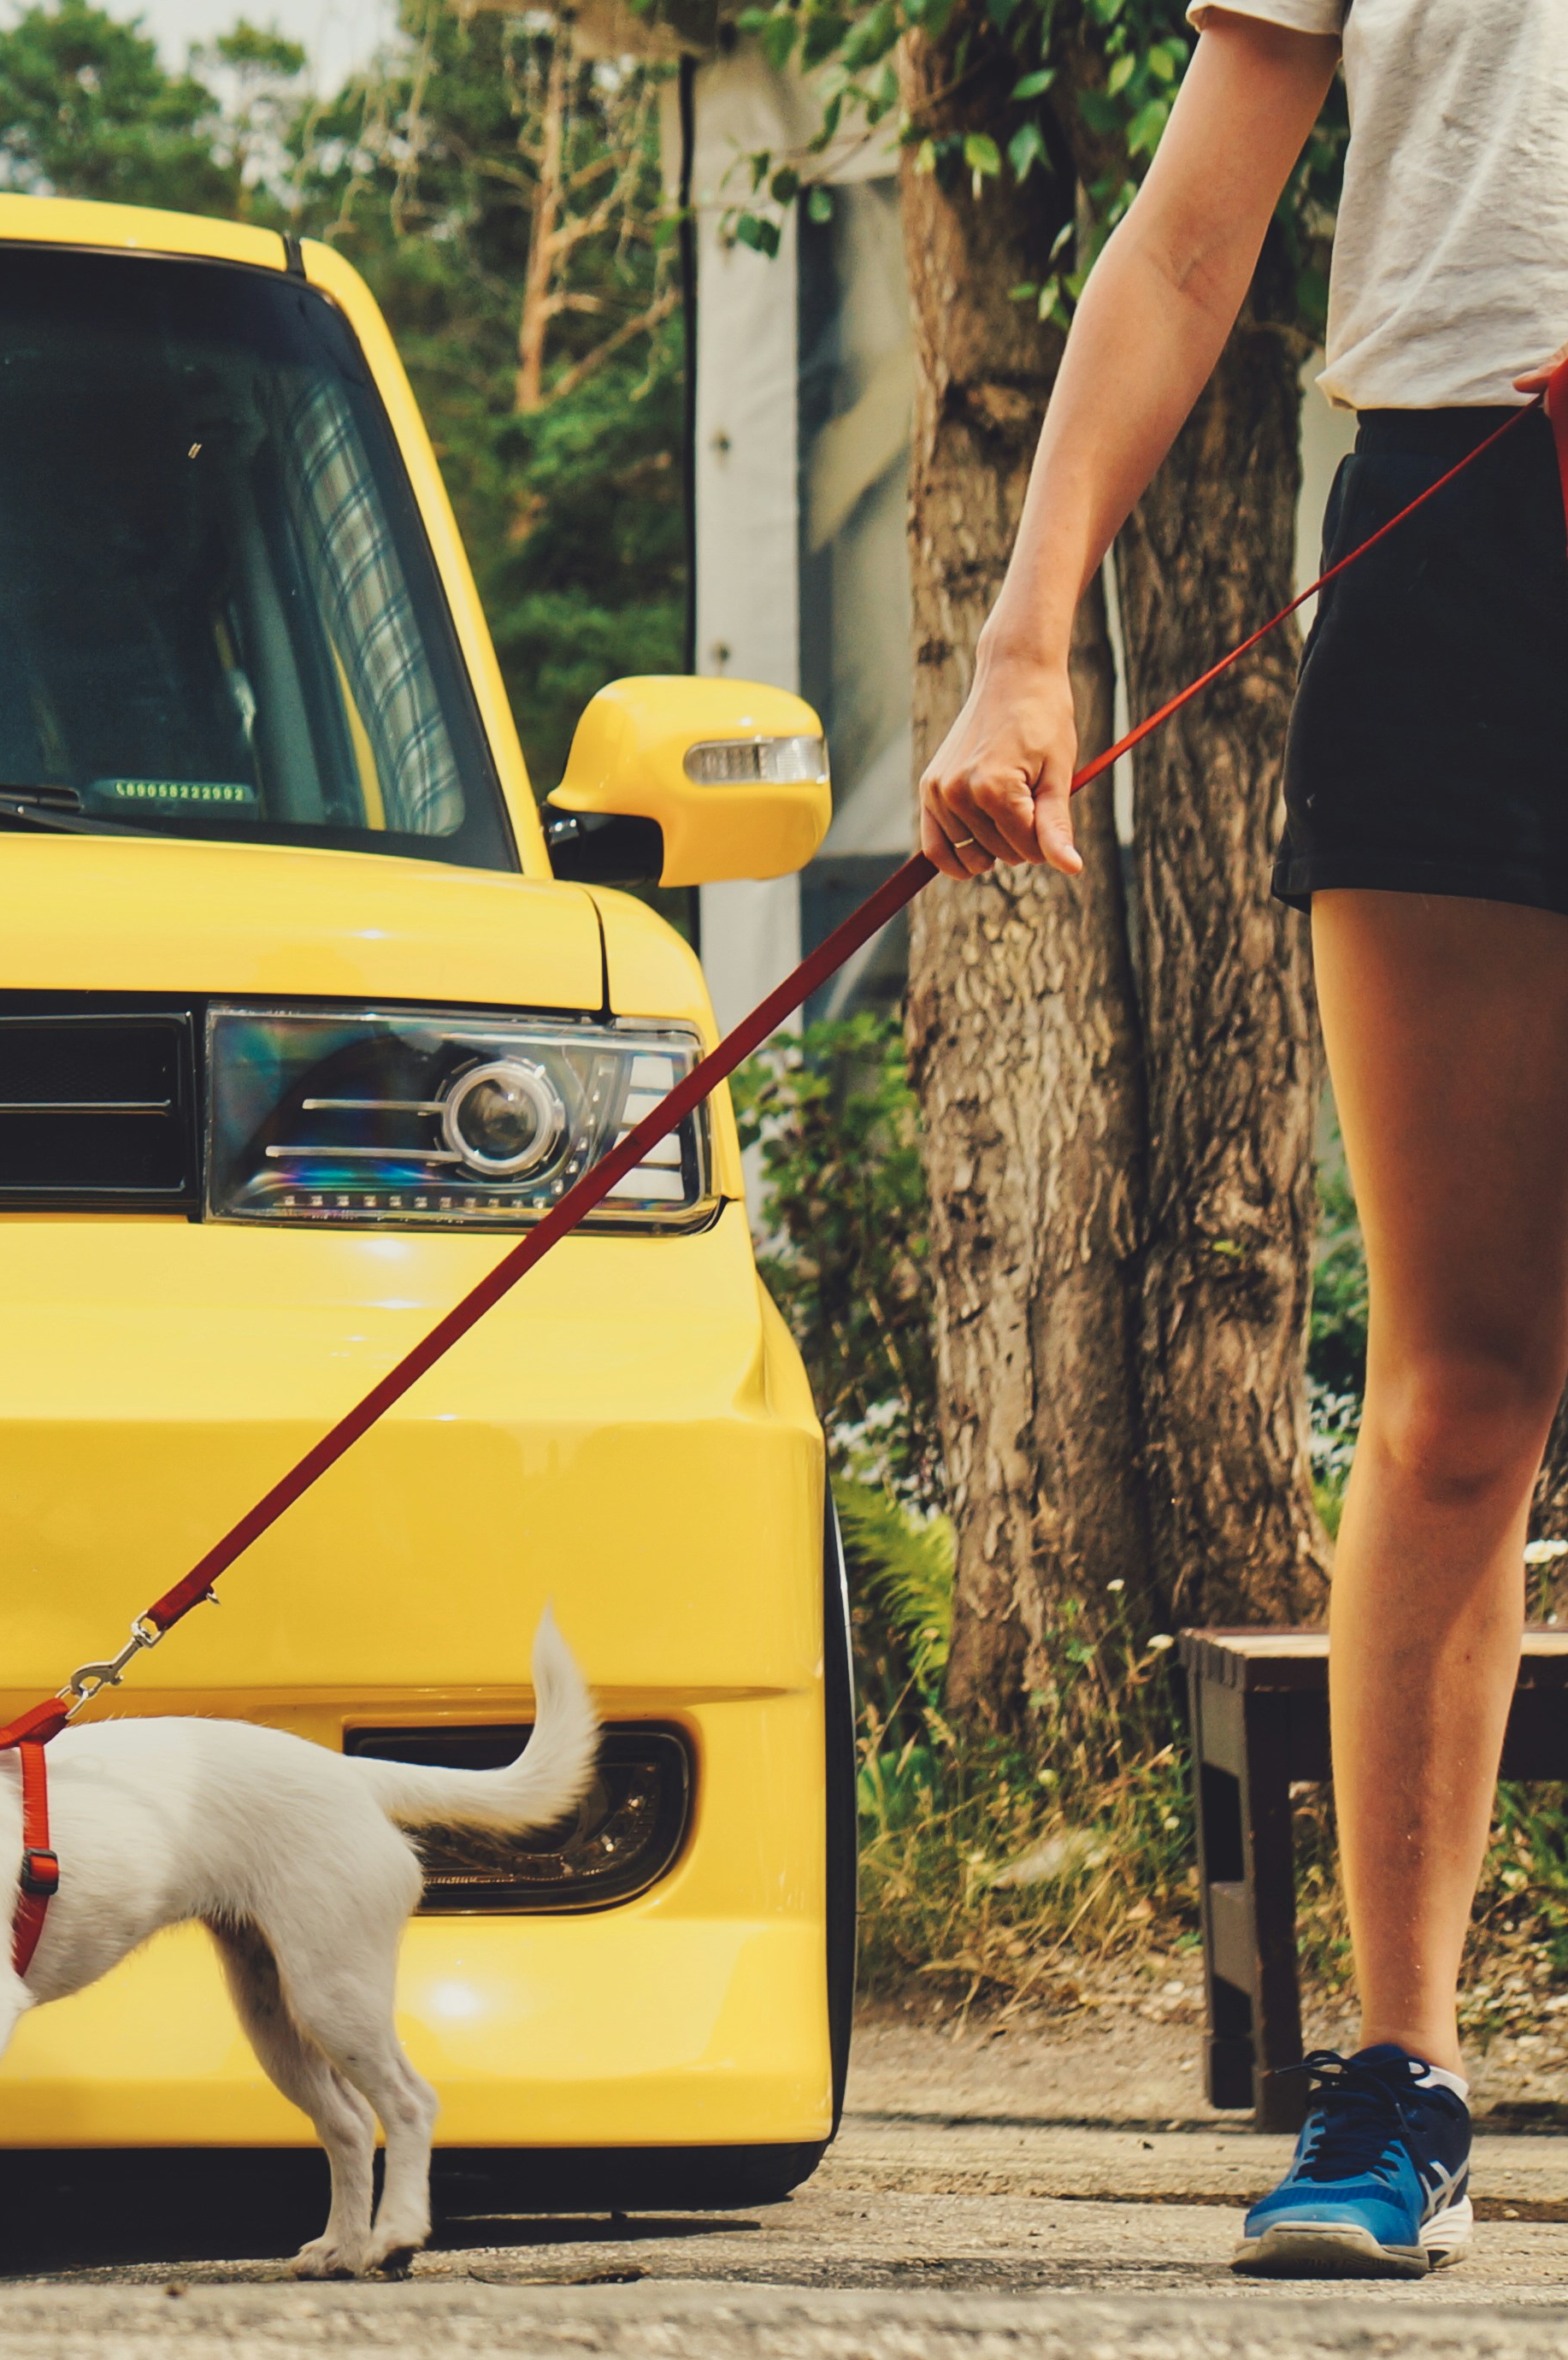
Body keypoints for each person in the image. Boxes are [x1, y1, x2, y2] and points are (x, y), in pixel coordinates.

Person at [912, 0, 1568, 2280]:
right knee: (1462, 1384)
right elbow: (1189, 247)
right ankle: (1398, 2083)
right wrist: (1025, 636)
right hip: (1465, 531)